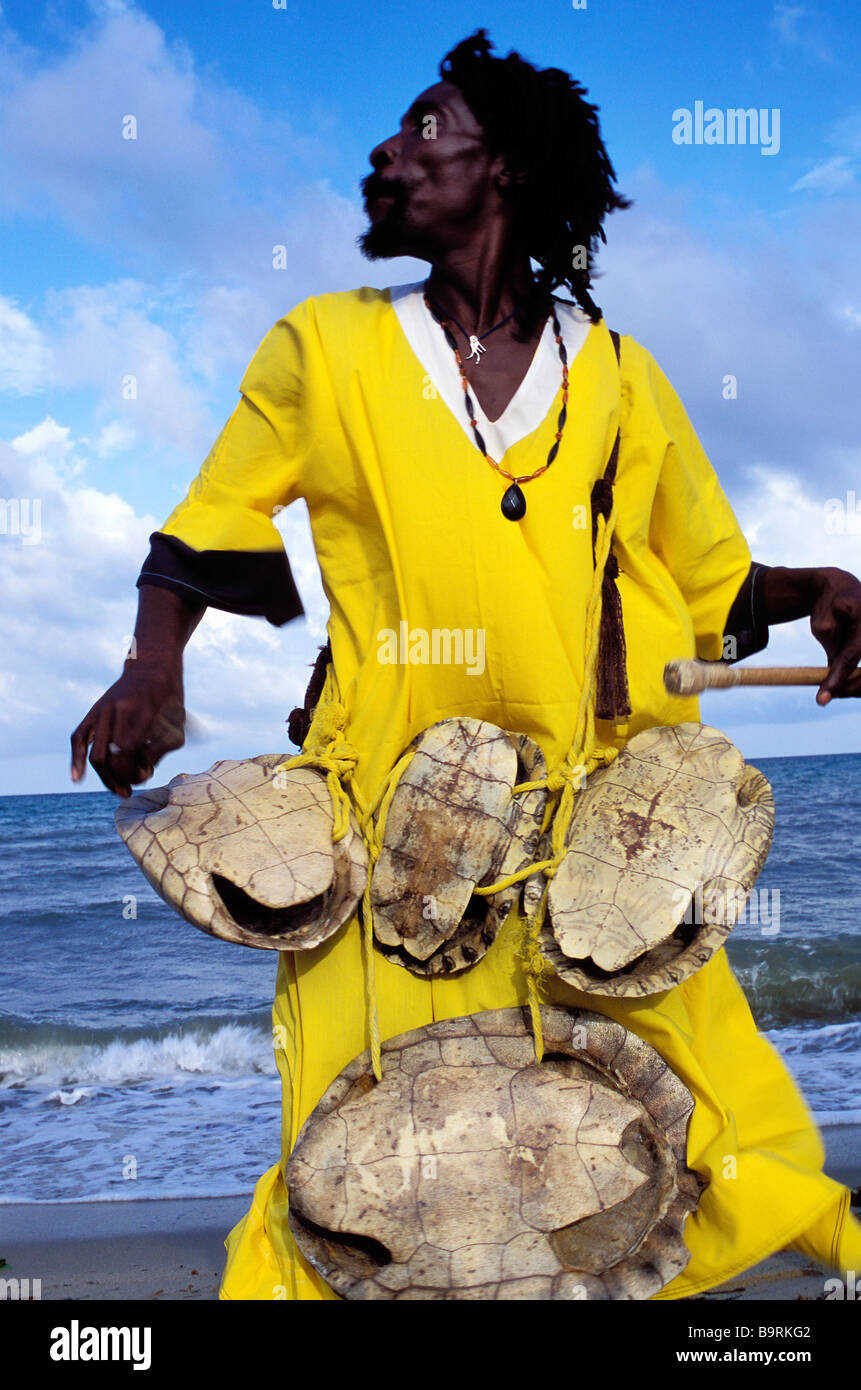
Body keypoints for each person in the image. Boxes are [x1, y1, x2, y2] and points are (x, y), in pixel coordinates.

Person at [71, 30, 861, 1299]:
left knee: (697, 1125)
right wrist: (149, 667)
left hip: (586, 842)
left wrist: (819, 589)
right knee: (357, 1166)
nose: (388, 151)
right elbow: (202, 529)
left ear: (505, 167)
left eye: (426, 126)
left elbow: (710, 576)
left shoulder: (615, 376)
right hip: (396, 840)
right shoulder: (322, 350)